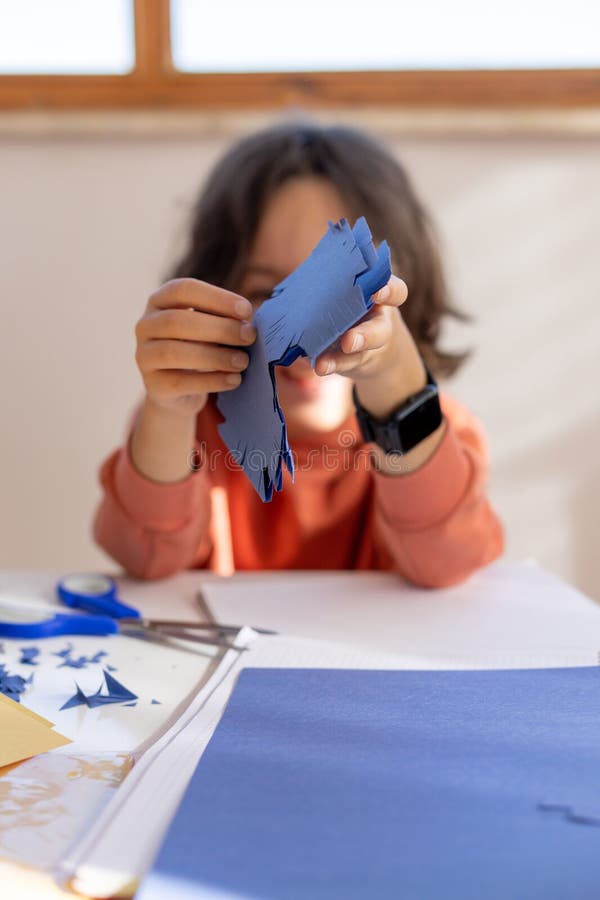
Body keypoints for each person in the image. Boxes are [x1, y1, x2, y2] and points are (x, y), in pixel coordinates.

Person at [93, 122, 504, 586]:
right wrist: (168, 410)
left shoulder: (440, 431)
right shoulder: (190, 429)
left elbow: (447, 562)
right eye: (270, 291)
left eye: (342, 290)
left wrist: (398, 385)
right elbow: (144, 558)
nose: (308, 336)